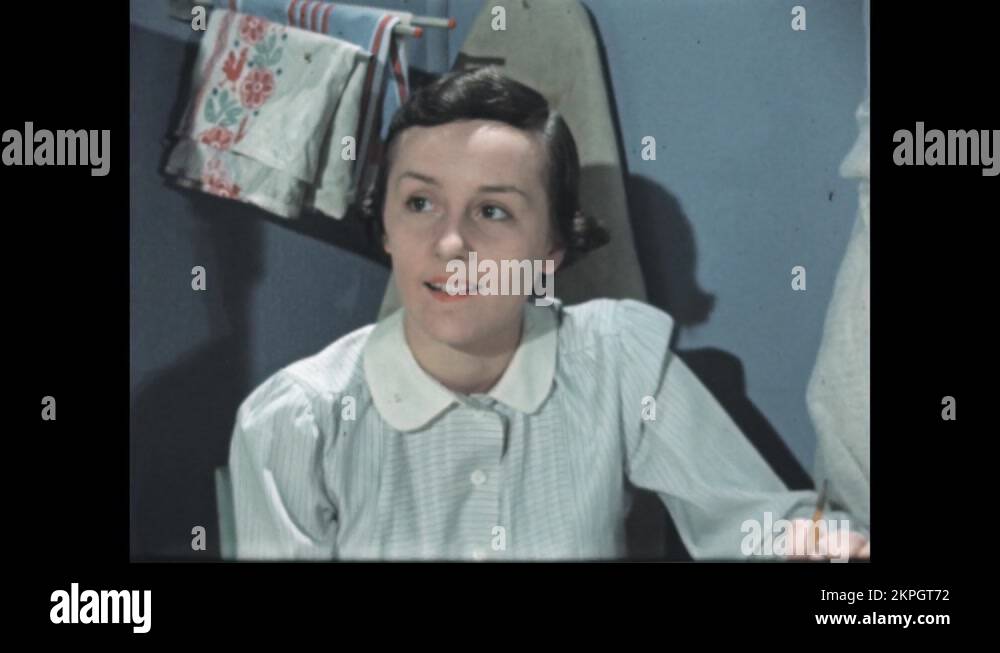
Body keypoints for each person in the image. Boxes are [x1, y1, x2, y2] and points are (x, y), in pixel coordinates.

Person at [228, 66, 870, 561]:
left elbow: (756, 524)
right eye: (420, 204)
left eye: (493, 211)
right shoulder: (296, 421)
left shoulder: (617, 359)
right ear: (387, 228)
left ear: (550, 252)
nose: (450, 244)